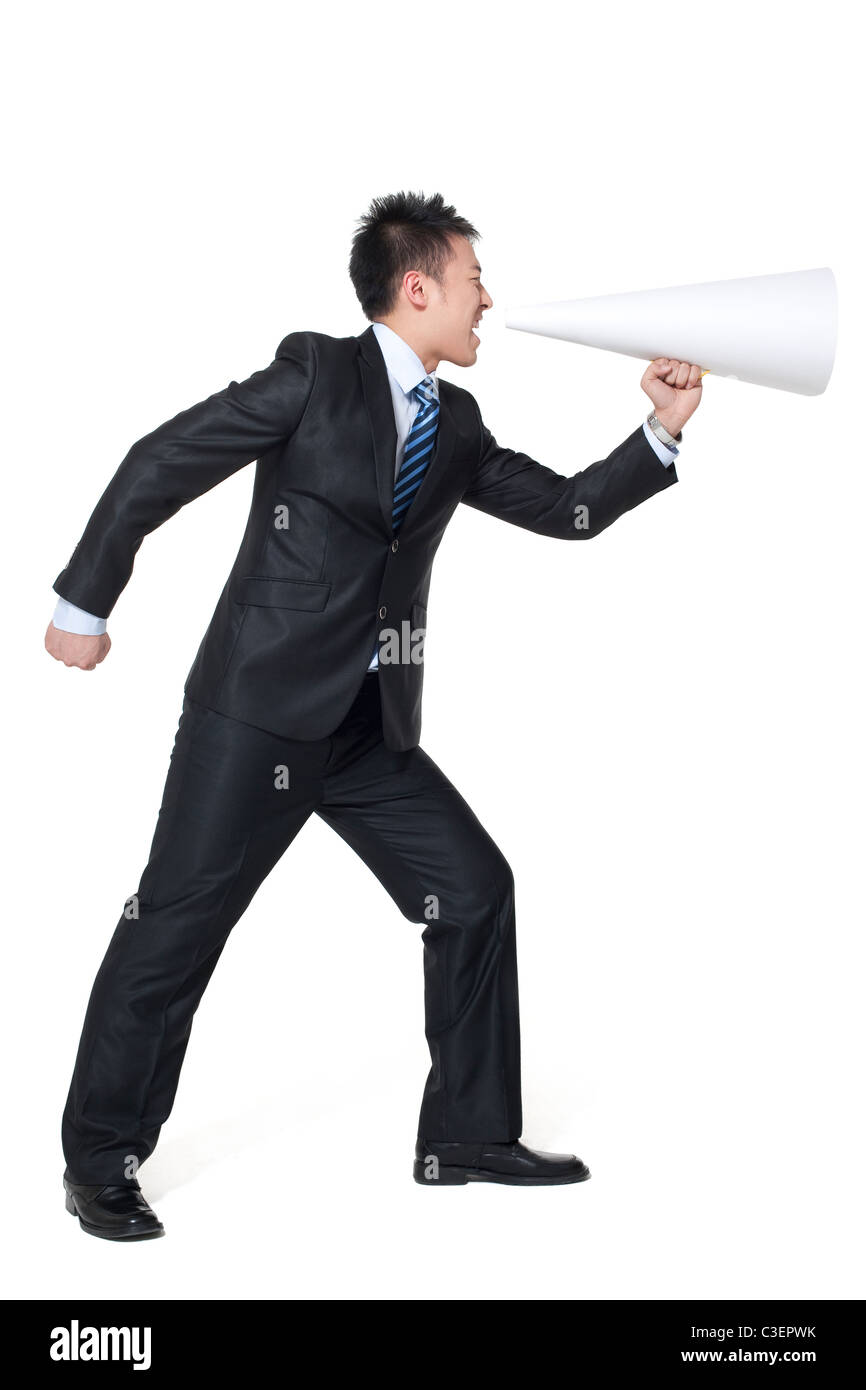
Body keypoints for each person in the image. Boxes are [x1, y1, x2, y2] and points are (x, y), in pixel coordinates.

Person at [46, 190, 703, 1240]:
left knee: (473, 888)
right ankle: (98, 1158)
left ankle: (466, 1134)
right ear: (418, 285)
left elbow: (567, 511)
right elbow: (159, 461)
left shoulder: (456, 426)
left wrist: (658, 430)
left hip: (364, 732)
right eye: (473, 279)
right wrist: (85, 600)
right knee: (172, 931)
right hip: (251, 719)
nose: (486, 299)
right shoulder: (313, 375)